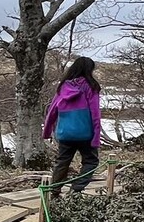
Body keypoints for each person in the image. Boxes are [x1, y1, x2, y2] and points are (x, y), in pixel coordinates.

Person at [42, 57, 102, 196]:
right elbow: (95, 113)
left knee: (62, 162)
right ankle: (76, 189)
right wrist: (96, 136)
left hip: (65, 133)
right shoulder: (91, 86)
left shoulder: (63, 86)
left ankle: (54, 192)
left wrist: (47, 131)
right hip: (85, 133)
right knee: (91, 161)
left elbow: (52, 111)